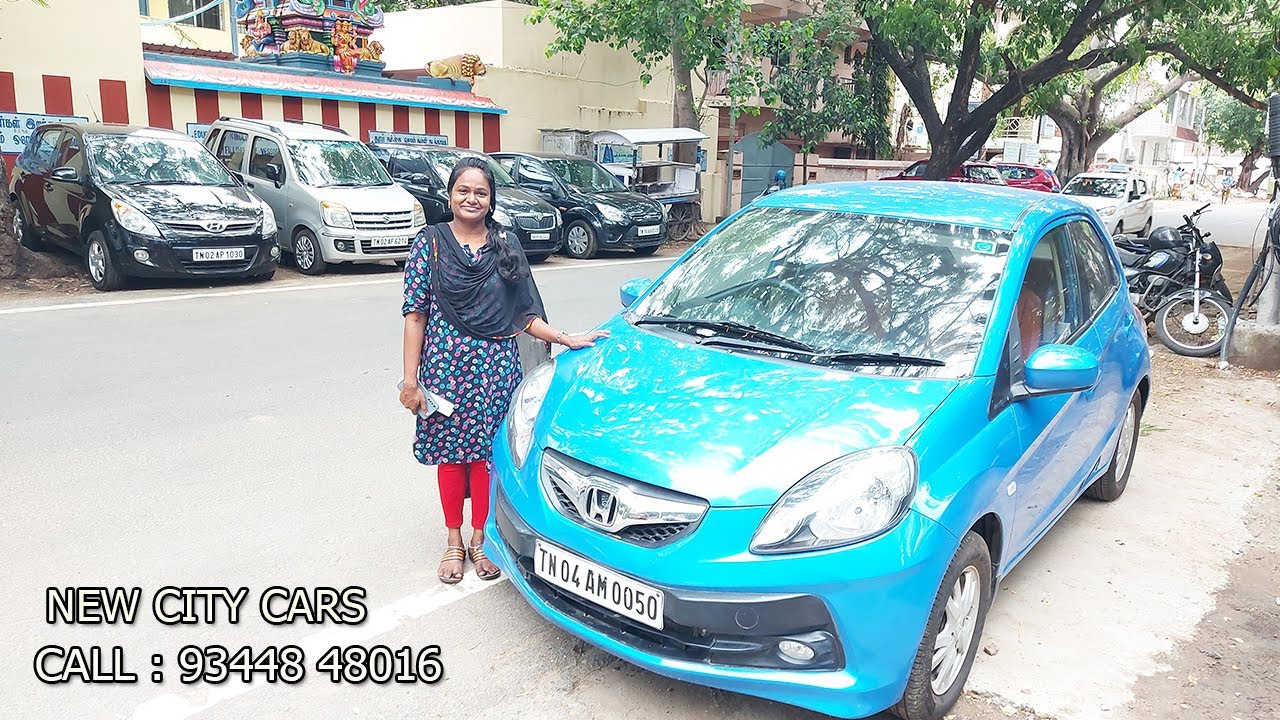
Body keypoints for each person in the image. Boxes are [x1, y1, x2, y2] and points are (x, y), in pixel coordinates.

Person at [399, 157, 608, 584]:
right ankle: (454, 540)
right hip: (444, 370)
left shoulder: (505, 244)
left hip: (496, 369)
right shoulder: (430, 244)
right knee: (451, 458)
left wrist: (565, 338)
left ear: (491, 199)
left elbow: (525, 315)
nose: (471, 198)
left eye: (481, 192)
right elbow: (415, 315)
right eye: (463, 190)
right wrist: (410, 380)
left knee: (487, 458)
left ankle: (481, 539)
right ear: (450, 196)